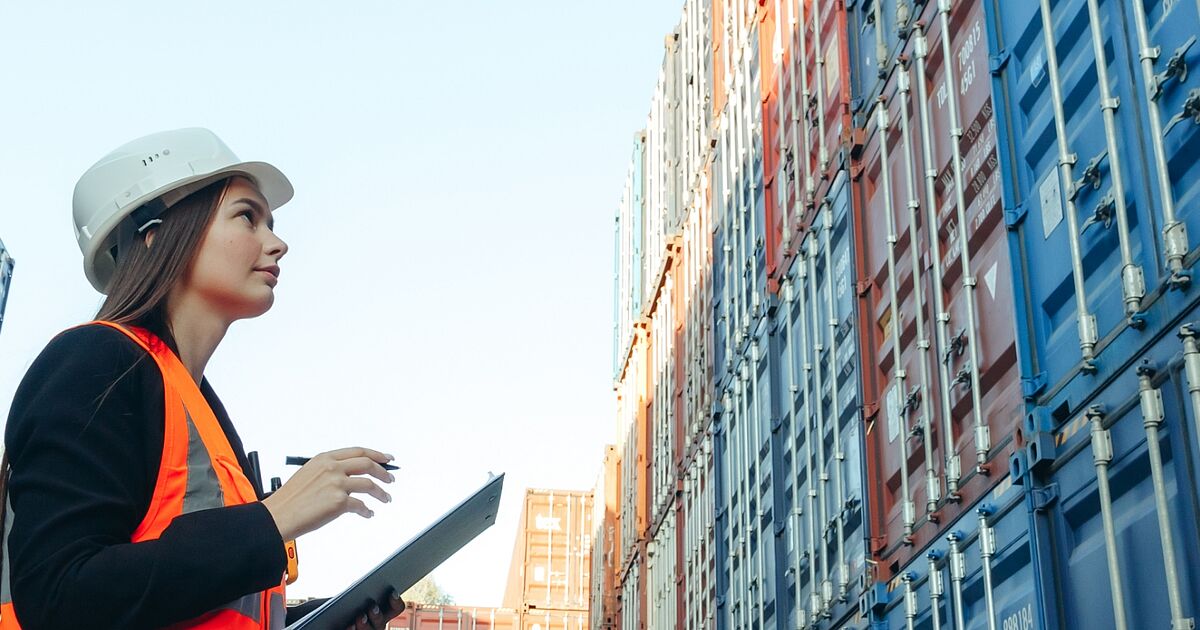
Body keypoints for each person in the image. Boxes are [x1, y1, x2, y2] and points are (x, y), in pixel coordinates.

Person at [0, 128, 405, 629]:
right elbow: (60, 598)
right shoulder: (93, 363)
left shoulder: (197, 407)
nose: (277, 244)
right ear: (155, 232)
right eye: (246, 217)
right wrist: (273, 518)